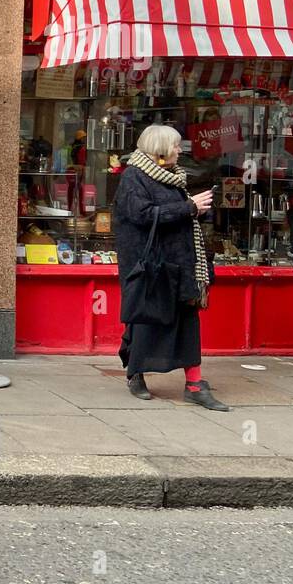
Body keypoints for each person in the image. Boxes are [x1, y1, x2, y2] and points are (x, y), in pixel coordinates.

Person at [115, 123, 228, 411]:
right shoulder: (134, 177)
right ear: (161, 149)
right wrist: (189, 207)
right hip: (151, 263)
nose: (180, 150)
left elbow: (174, 217)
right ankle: (135, 375)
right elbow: (141, 215)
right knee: (145, 320)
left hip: (180, 263)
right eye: (176, 145)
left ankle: (194, 384)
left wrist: (193, 210)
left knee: (188, 321)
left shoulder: (174, 178)